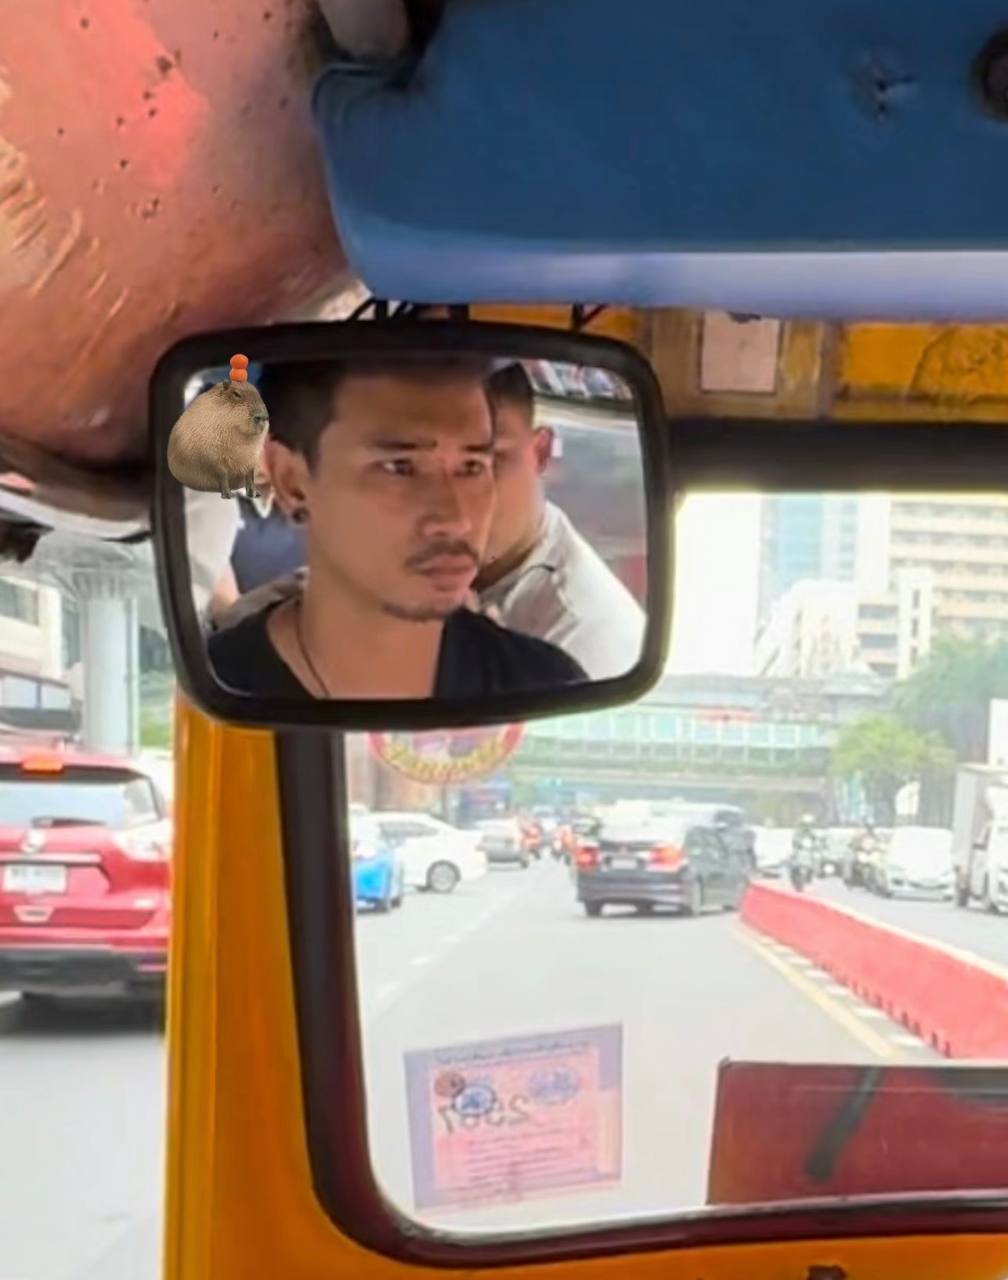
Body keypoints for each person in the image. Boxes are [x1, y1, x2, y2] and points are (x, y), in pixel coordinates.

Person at [206, 356, 587, 700]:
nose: (456, 519)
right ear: (291, 481)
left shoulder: (548, 687)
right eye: (400, 468)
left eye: (472, 467)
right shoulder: (209, 692)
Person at [477, 362, 646, 680]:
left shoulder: (582, 636)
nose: (454, 498)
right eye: (408, 467)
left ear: (540, 453)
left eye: (486, 462)